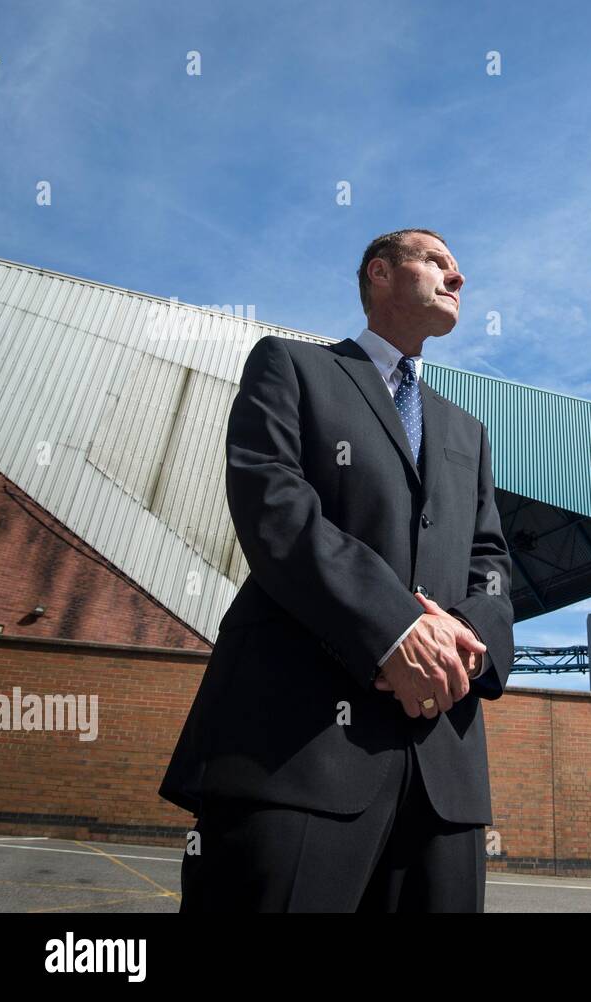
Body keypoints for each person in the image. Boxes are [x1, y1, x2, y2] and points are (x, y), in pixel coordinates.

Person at [159, 228, 513, 912]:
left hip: (444, 775)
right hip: (298, 753)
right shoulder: (291, 367)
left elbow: (492, 563)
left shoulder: (468, 431)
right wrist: (393, 627)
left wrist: (466, 642)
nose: (458, 278)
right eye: (438, 261)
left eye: (460, 268)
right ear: (380, 274)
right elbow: (275, 505)